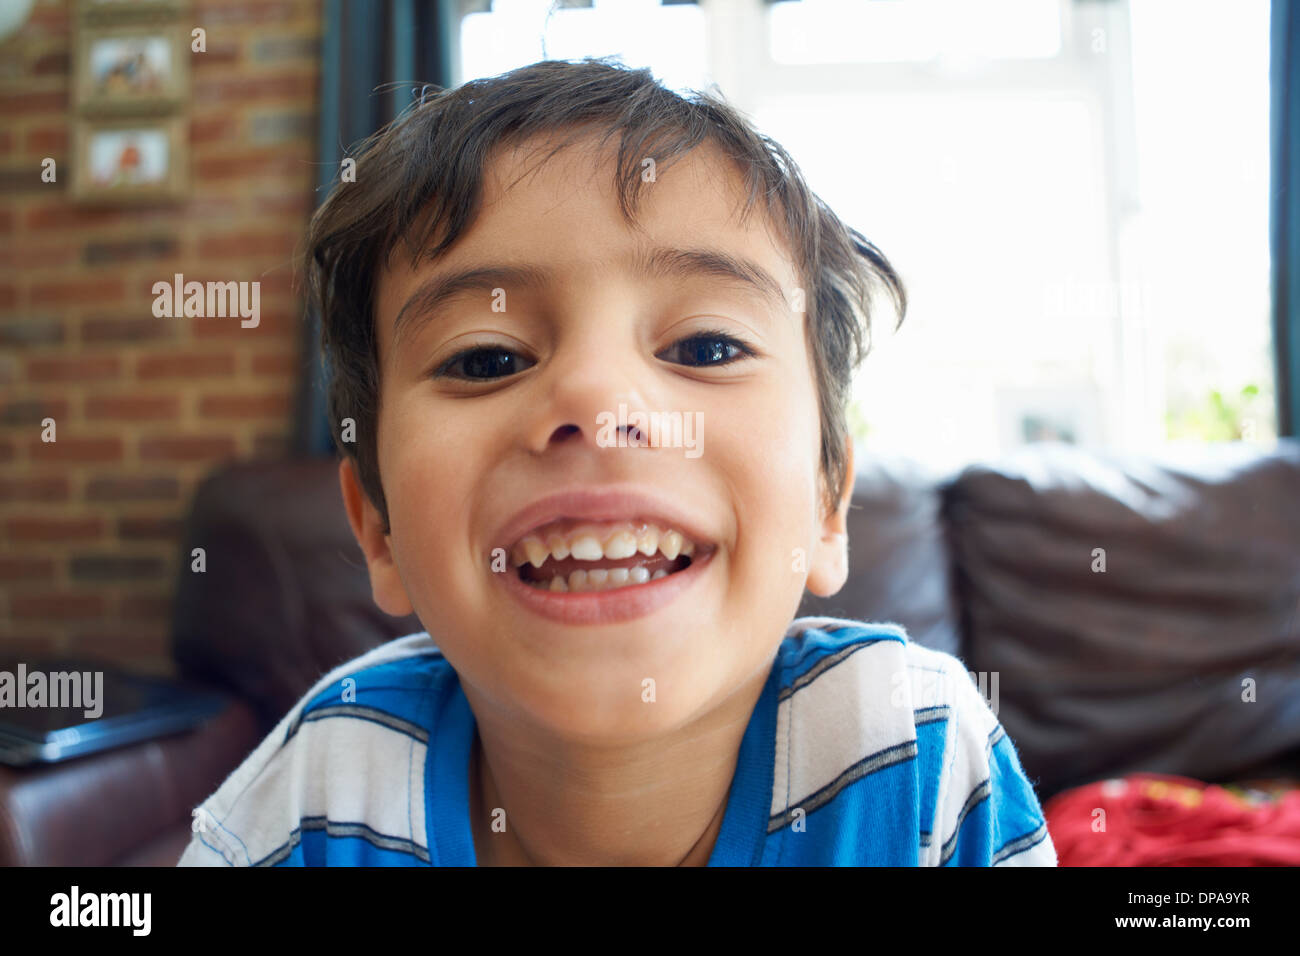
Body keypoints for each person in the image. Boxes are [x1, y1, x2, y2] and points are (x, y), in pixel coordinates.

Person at [178, 58, 1055, 867]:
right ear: (378, 527)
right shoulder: (317, 802)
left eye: (707, 346)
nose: (599, 406)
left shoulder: (911, 754)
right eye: (486, 358)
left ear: (828, 502)